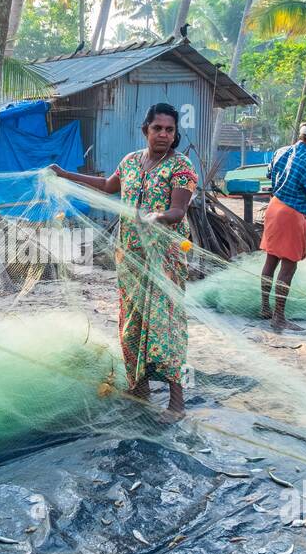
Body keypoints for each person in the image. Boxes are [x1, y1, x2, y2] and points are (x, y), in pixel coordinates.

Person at [51, 103, 197, 420]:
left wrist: (157, 216)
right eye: (157, 128)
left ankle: (177, 403)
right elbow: (107, 186)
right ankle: (140, 388)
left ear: (175, 135)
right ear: (145, 129)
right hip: (129, 255)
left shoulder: (181, 167)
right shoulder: (130, 162)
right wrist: (65, 175)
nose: (163, 134)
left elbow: (178, 212)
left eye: (169, 130)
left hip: (163, 259)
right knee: (132, 321)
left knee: (166, 325)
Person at [259, 117, 306, 331]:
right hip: (291, 214)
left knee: (271, 261)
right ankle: (279, 317)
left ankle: (265, 307)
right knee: (288, 267)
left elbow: (269, 174)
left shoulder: (281, 151)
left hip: (274, 208)